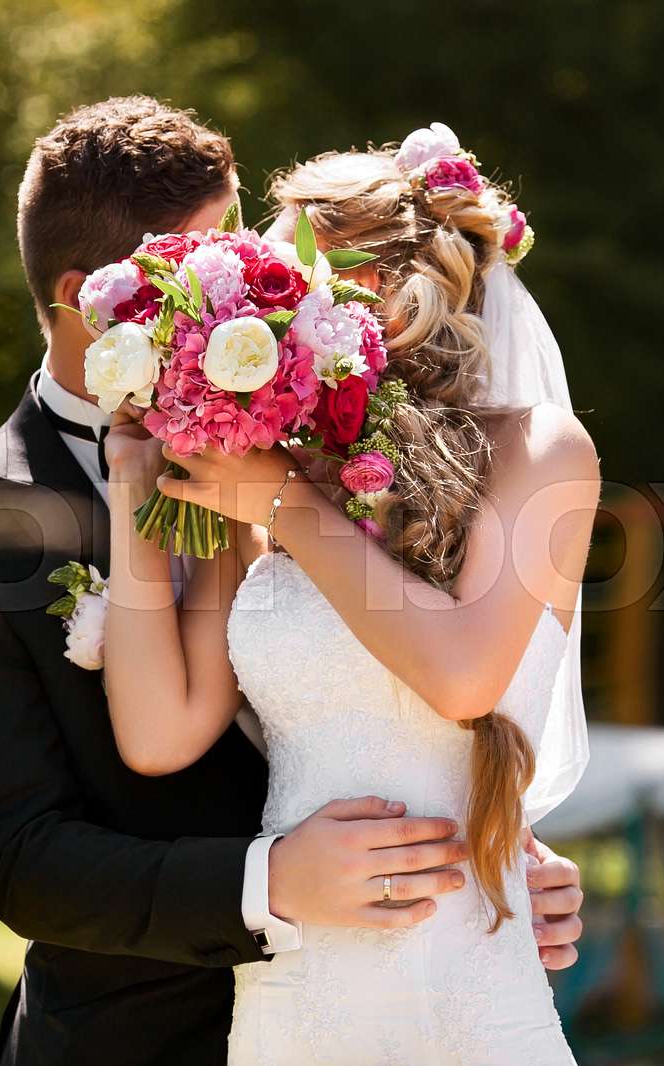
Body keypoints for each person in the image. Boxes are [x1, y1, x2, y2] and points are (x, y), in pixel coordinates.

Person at [0, 100, 585, 1066]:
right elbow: (35, 861)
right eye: (224, 271)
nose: (254, 298)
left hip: (435, 974)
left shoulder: (317, 464)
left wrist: (496, 842)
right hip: (158, 1033)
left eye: (263, 271)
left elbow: (436, 690)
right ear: (90, 294)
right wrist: (271, 883)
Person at [100, 132, 598, 1064]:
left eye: (285, 279)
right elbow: (161, 732)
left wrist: (282, 506)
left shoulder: (543, 451)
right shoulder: (272, 476)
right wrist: (139, 489)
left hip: (466, 991)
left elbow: (462, 679)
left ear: (376, 298)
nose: (257, 304)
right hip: (299, 996)